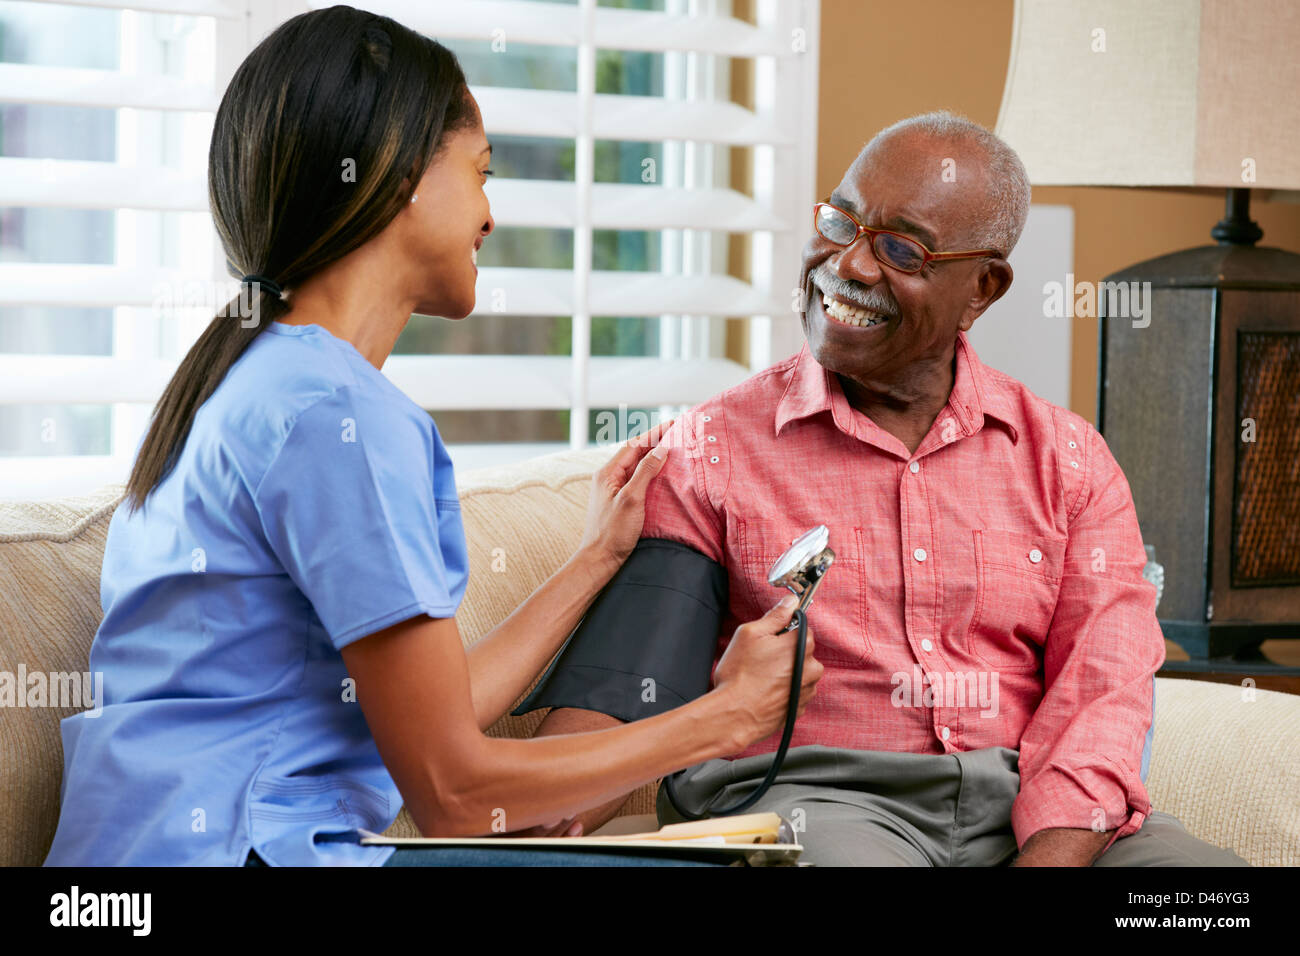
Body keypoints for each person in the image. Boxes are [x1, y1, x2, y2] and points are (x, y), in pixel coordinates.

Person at [41, 6, 822, 868]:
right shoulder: (335, 419)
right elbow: (454, 794)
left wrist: (594, 559)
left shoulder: (250, 381)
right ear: (396, 171)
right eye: (481, 173)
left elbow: (436, 716)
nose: (490, 216)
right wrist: (723, 719)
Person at [524, 112, 1249, 867]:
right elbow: (621, 703)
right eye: (841, 221)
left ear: (982, 289)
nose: (852, 266)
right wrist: (532, 803)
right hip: (823, 807)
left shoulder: (1070, 462)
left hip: (1036, 815)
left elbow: (1102, 696)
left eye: (901, 248)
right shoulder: (709, 453)